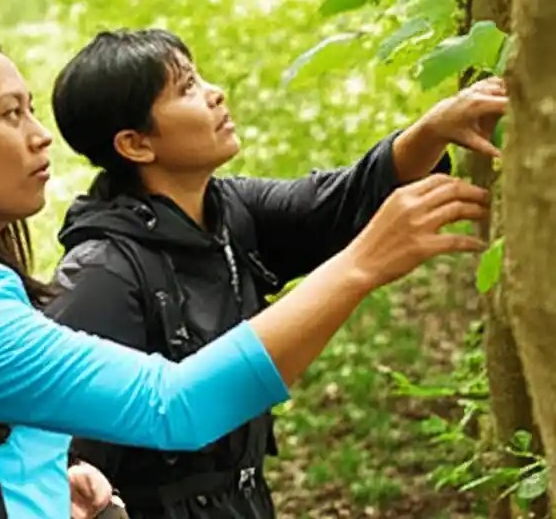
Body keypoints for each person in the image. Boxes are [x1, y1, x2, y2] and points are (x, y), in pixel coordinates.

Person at [0, 31, 488, 518]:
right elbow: (172, 405)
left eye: (33, 111)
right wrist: (362, 265)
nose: (41, 138)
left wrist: (50, 480)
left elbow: (330, 202)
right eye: (12, 115)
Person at [43, 28, 509, 518]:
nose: (214, 92)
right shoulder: (101, 275)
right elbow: (61, 464)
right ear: (135, 144)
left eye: (199, 77)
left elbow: (342, 202)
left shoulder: (227, 211)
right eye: (186, 89)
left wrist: (433, 129)